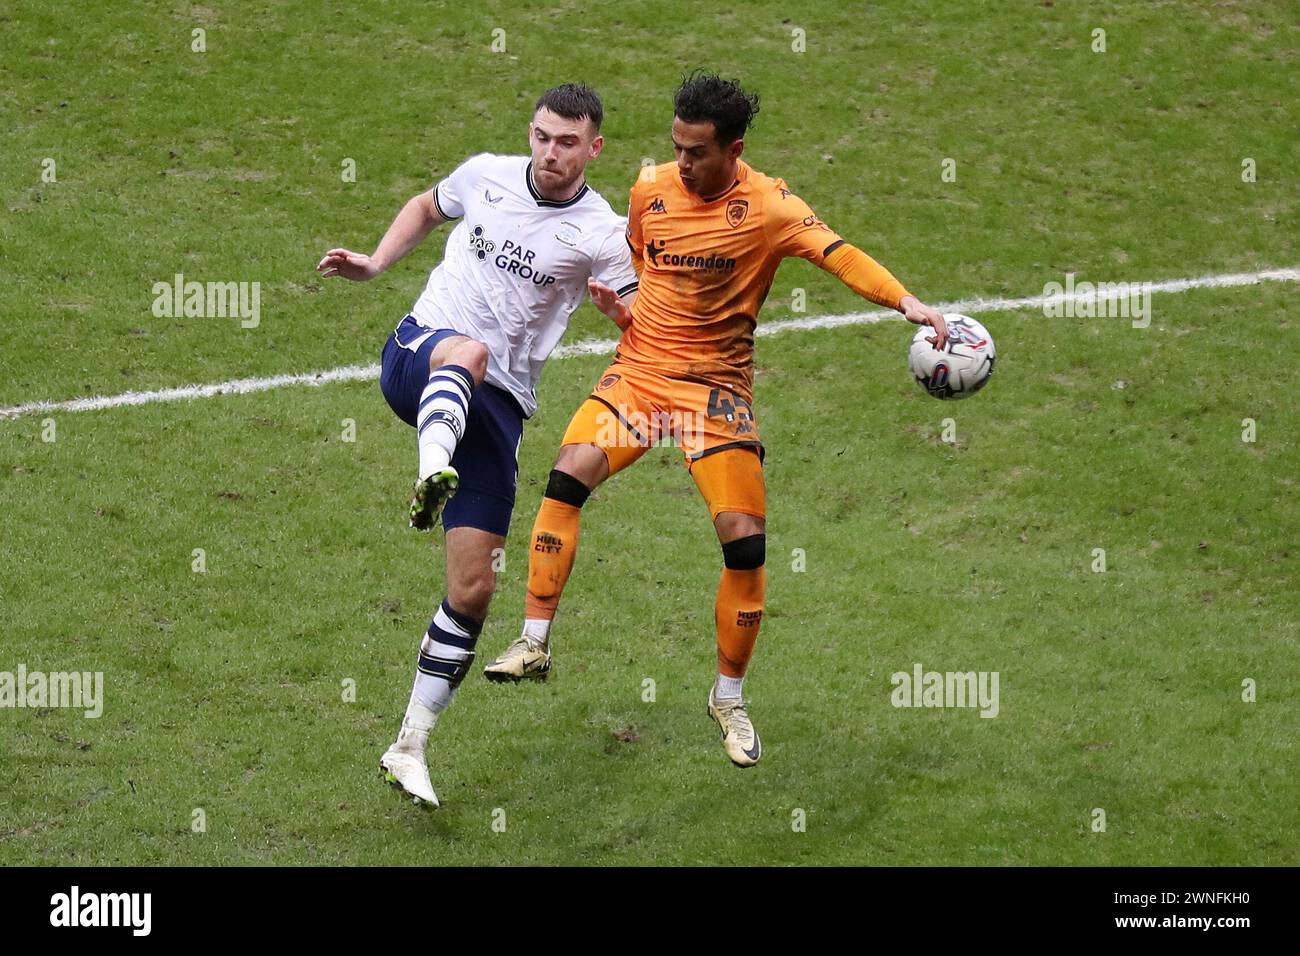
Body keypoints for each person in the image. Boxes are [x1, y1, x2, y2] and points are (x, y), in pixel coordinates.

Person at [484, 71, 948, 768]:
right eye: (677, 148)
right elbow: (643, 257)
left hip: (715, 392)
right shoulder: (650, 189)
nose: (684, 163)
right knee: (566, 477)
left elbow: (838, 254)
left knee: (744, 544)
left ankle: (728, 697)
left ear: (734, 149)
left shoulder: (770, 206)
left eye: (698, 152)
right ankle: (534, 641)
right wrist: (631, 314)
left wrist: (906, 302)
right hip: (640, 376)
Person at [317, 83, 638, 805]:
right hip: (421, 354)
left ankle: (409, 746)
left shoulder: (601, 233)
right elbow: (430, 207)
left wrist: (618, 310)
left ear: (594, 148)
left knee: (474, 588)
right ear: (530, 134)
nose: (550, 152)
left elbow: (645, 326)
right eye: (541, 136)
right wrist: (374, 264)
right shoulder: (485, 174)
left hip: (499, 412)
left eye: (566, 142)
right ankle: (430, 475)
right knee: (467, 352)